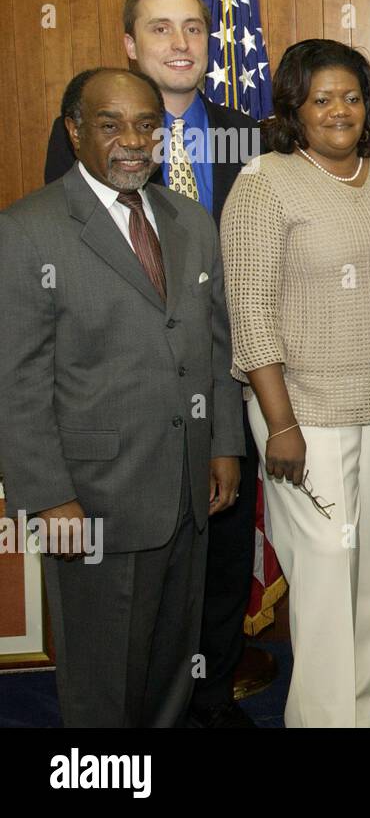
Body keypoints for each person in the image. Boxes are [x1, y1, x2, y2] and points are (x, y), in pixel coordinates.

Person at [44, 0, 263, 728]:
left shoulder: (248, 132)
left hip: (223, 396)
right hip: (119, 422)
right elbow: (69, 283)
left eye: (195, 28)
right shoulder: (75, 137)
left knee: (217, 563)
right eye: (161, 29)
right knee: (117, 619)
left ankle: (210, 697)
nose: (180, 43)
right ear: (131, 44)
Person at [0, 68, 243, 726]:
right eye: (111, 125)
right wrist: (50, 496)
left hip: (189, 491)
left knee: (171, 671)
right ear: (75, 131)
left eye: (147, 124)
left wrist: (223, 444)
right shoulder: (28, 230)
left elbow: (214, 347)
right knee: (104, 681)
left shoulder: (189, 221)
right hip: (94, 497)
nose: (134, 141)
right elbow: (16, 381)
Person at [221, 39, 370, 727]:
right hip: (302, 416)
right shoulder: (265, 181)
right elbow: (251, 313)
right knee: (327, 577)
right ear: (294, 107)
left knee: (368, 580)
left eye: (352, 96)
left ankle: (363, 714)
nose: (340, 110)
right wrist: (281, 423)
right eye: (322, 97)